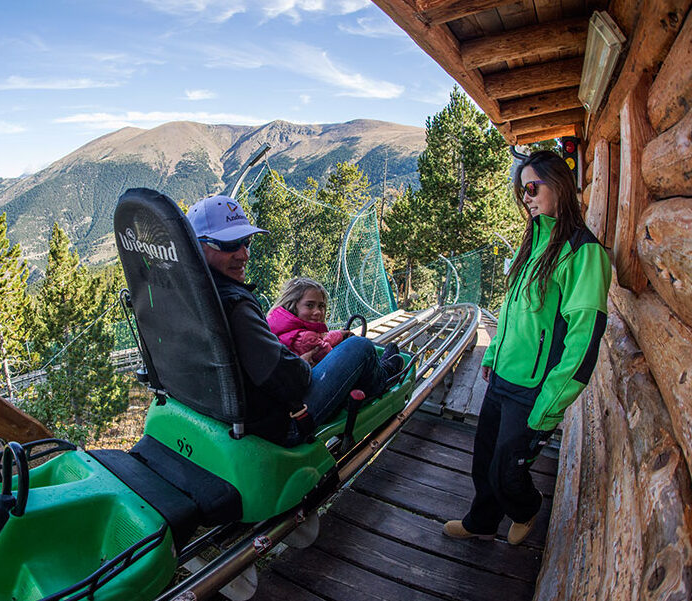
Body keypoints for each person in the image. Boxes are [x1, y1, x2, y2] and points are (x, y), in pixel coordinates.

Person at [443, 150, 611, 545]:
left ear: (560, 186)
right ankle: (481, 523)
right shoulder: (534, 242)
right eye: (522, 192)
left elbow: (584, 338)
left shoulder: (582, 252)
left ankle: (527, 508)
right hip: (503, 374)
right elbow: (514, 307)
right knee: (484, 461)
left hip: (536, 388)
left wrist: (551, 403)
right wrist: (494, 350)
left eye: (532, 188)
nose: (527, 198)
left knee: (507, 470)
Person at [187, 195, 402, 447]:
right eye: (229, 244)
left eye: (246, 242)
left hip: (223, 407)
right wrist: (301, 363)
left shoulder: (190, 294)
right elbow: (289, 379)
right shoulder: (235, 305)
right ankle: (384, 377)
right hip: (280, 422)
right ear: (197, 245)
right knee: (361, 348)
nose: (244, 254)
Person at [266, 277, 353, 366]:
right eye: (310, 305)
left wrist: (339, 334)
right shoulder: (305, 337)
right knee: (359, 346)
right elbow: (329, 353)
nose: (318, 312)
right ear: (292, 305)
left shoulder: (282, 327)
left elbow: (322, 339)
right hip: (306, 378)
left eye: (321, 306)